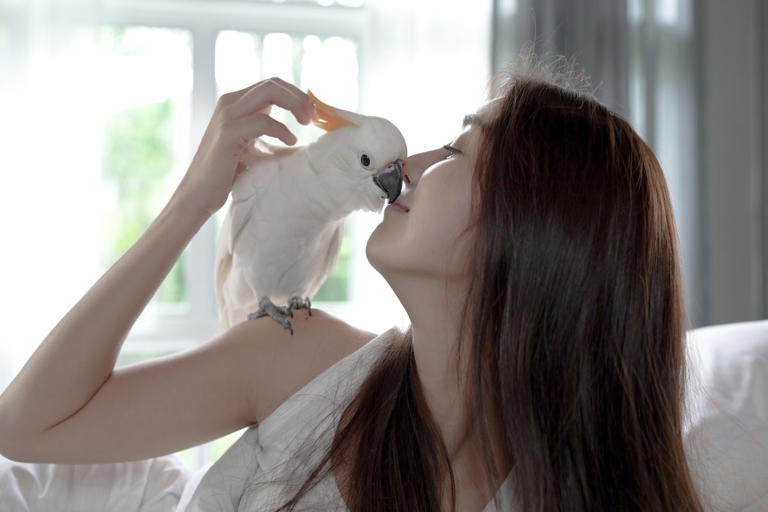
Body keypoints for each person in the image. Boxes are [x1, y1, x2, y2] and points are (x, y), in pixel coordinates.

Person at [0, 49, 704, 512]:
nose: (418, 163)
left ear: (531, 234)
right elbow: (27, 426)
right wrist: (194, 201)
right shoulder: (299, 354)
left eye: (457, 149)